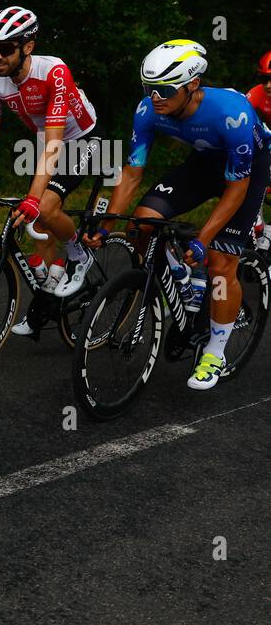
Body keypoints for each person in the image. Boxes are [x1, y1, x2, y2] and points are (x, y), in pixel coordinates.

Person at [86, 40, 271, 390]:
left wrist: (202, 240)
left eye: (165, 90)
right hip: (202, 165)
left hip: (248, 171)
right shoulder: (148, 110)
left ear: (193, 85)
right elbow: (132, 173)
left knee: (219, 262)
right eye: (149, 89)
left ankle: (214, 353)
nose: (156, 98)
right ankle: (183, 282)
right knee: (142, 224)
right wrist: (107, 224)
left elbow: (236, 189)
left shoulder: (232, 111)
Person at [0, 6, 101, 335]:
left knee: (42, 206)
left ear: (28, 47)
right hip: (48, 140)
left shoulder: (54, 71)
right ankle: (45, 304)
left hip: (83, 139)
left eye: (6, 48)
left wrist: (33, 196)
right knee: (36, 221)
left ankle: (78, 252)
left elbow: (56, 141)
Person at [244, 50, 271, 250]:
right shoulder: (256, 93)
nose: (268, 85)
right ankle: (257, 224)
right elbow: (241, 119)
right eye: (264, 79)